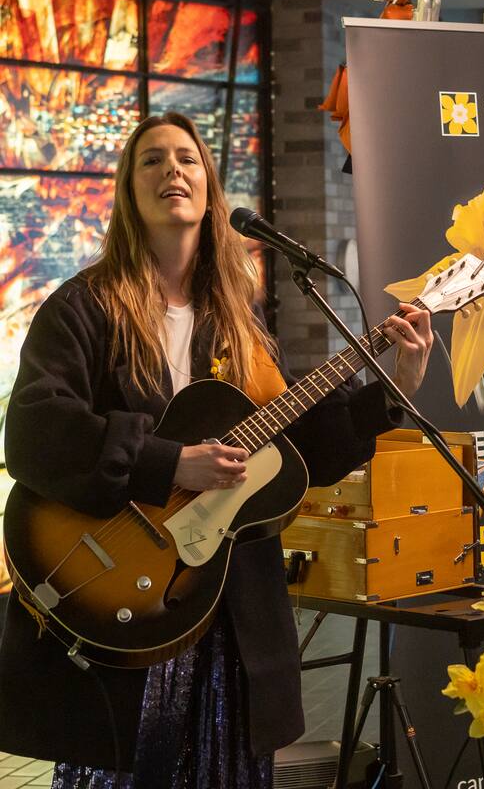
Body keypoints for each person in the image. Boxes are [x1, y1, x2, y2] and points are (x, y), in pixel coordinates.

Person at [0, 113, 433, 787]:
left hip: (228, 612)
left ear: (207, 187)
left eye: (187, 159)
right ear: (127, 190)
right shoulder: (86, 307)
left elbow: (300, 453)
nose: (173, 170)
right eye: (152, 160)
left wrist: (393, 387)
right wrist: (169, 463)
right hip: (122, 606)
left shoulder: (241, 325)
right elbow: (34, 427)